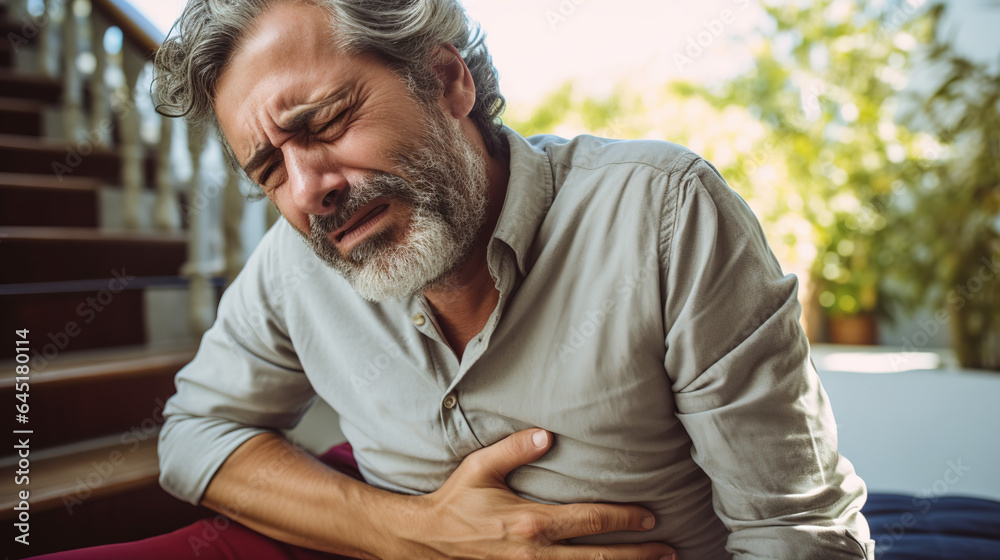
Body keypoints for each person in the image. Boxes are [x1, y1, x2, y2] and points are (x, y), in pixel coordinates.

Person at [34, 0, 875, 558]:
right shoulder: (295, 268)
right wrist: (414, 532)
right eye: (267, 169)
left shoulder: (663, 213)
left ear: (447, 79)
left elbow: (796, 531)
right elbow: (192, 435)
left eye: (324, 123)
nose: (308, 189)